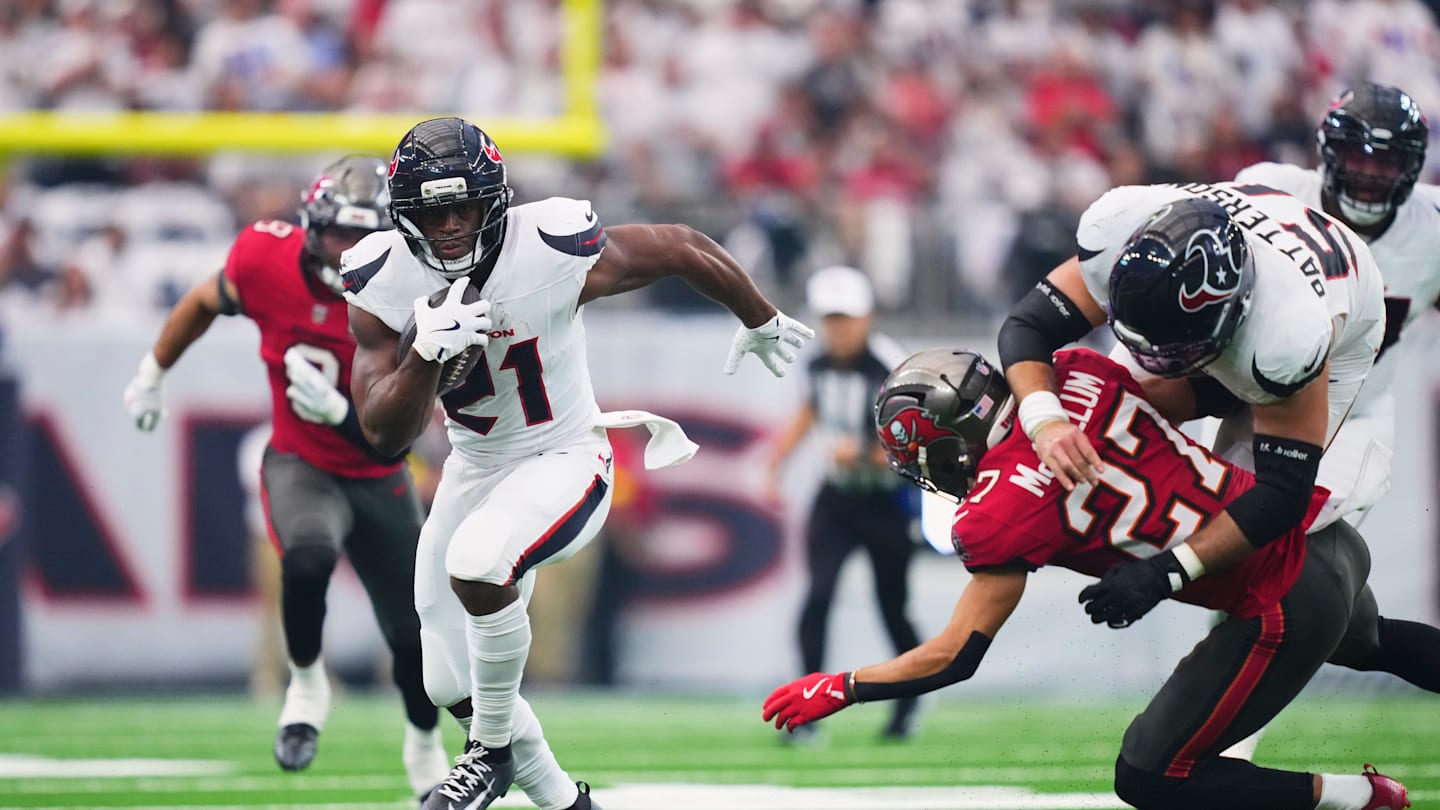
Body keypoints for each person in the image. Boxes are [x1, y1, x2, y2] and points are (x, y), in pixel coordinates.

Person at [342, 116, 813, 810]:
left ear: (494, 202)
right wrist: (423, 353)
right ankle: (567, 803)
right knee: (444, 678)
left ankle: (490, 755)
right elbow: (384, 433)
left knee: (478, 562)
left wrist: (759, 315)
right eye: (431, 212)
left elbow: (680, 247)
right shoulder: (382, 280)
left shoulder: (549, 247)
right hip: (475, 469)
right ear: (405, 217)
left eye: (463, 207)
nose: (448, 226)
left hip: (565, 454)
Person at [764, 347, 1439, 810]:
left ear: (950, 441)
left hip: (1281, 593)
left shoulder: (997, 511)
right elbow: (1203, 391)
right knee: (1372, 640)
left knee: (1149, 776)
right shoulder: (1072, 374)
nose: (921, 471)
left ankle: (1359, 798)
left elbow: (956, 656)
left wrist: (845, 686)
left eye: (918, 455)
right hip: (1316, 530)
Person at [121, 156, 451, 800]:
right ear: (309, 227)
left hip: (380, 470)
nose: (348, 253)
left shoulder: (412, 291)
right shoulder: (263, 261)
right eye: (337, 236)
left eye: (365, 239)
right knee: (304, 561)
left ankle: (424, 740)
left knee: (415, 632)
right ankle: (305, 687)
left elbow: (404, 433)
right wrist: (152, 373)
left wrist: (343, 415)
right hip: (302, 462)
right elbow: (201, 299)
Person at [995, 179, 1386, 631]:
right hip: (1247, 263)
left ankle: (1310, 622)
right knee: (1115, 408)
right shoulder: (1120, 230)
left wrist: (1166, 573)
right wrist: (1046, 422)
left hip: (1342, 308)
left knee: (1249, 530)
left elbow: (1282, 495)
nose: (1159, 362)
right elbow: (1028, 325)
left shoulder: (1287, 335)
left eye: (1172, 350)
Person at [765, 264, 921, 742]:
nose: (838, 329)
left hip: (885, 500)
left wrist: (869, 453)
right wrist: (777, 462)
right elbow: (810, 409)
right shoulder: (817, 363)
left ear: (867, 317)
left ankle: (906, 706)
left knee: (891, 606)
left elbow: (917, 438)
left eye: (846, 319)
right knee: (817, 598)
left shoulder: (890, 367)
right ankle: (805, 712)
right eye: (830, 320)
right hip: (835, 499)